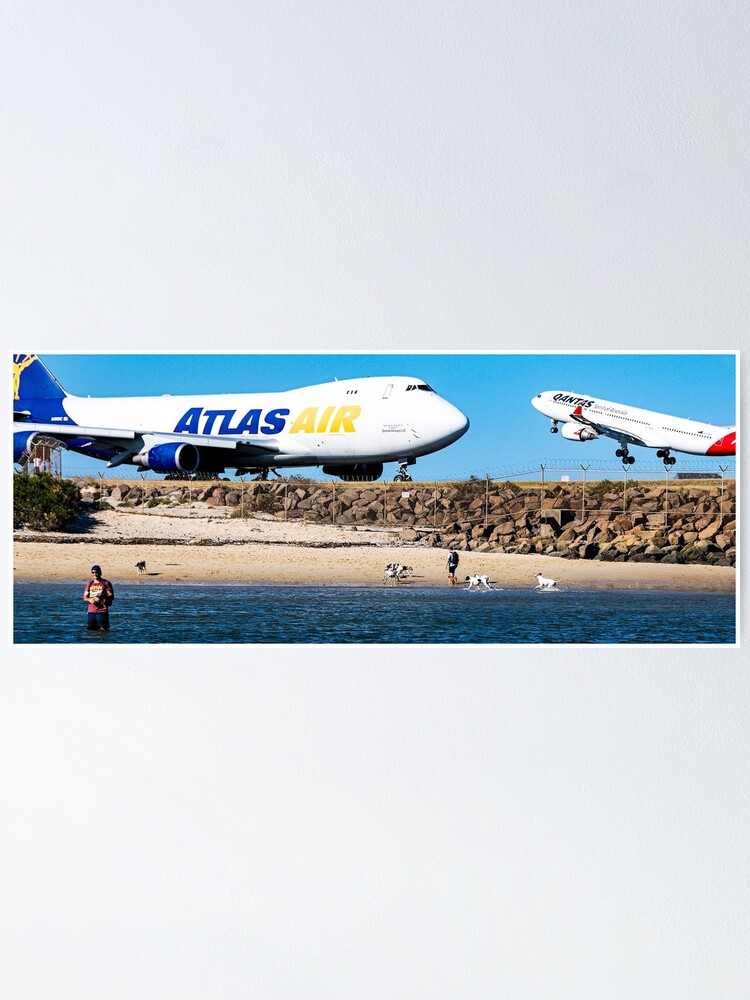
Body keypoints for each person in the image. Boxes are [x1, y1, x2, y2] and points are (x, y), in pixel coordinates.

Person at [83, 564, 115, 631]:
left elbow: (111, 596)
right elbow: (84, 598)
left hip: (102, 610)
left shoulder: (106, 583)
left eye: (96, 572)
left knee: (103, 630)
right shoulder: (90, 584)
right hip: (91, 611)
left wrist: (102, 596)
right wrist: (90, 599)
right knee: (90, 630)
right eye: (93, 572)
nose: (94, 574)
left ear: (100, 572)